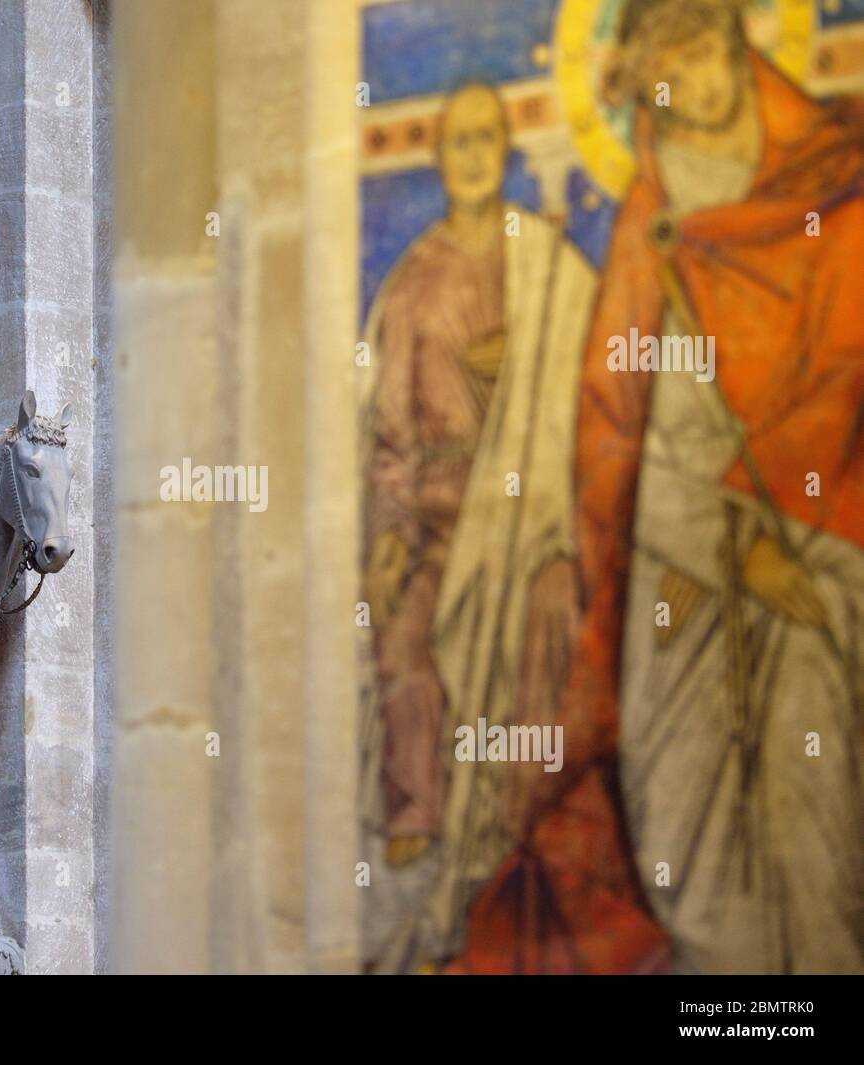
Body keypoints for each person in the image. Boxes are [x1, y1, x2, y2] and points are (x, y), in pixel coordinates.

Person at [452, 0, 864, 973]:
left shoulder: (831, 182)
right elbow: (620, 432)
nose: (701, 86)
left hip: (825, 538)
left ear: (740, 45)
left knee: (813, 801)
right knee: (680, 813)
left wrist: (779, 532)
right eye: (672, 67)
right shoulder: (652, 225)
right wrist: (719, 539)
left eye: (714, 54)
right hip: (679, 551)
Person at [362, 83, 596, 966]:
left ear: (504, 149)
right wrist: (389, 529)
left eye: (487, 139)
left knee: (551, 608)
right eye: (457, 140)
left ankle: (519, 815)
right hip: (434, 511)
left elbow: (588, 365)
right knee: (402, 641)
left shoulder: (538, 258)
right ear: (438, 155)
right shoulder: (414, 283)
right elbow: (389, 432)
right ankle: (420, 809)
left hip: (526, 505)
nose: (472, 154)